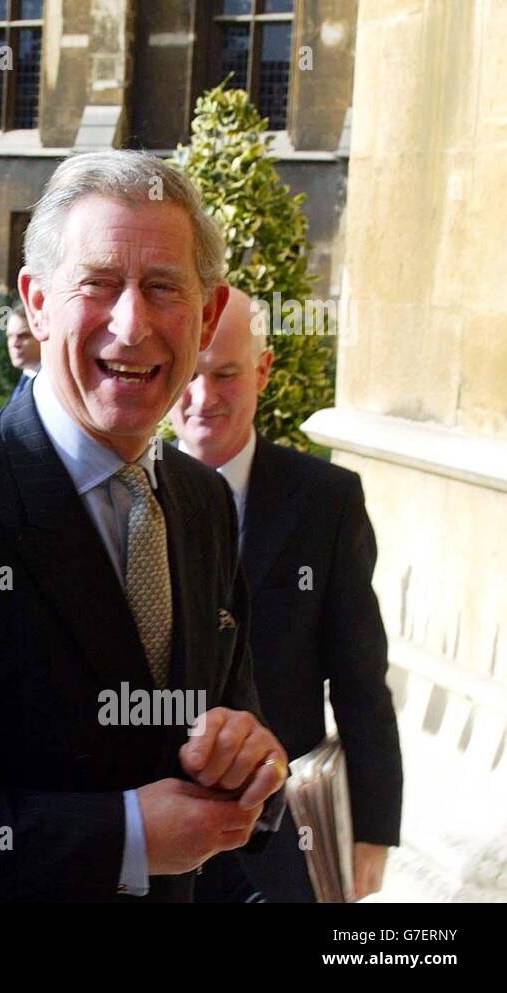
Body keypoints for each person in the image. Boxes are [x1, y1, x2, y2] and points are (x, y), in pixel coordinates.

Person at [0, 151, 288, 902]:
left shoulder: (201, 505)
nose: (132, 326)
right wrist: (124, 836)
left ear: (206, 314)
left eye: (163, 288)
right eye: (97, 284)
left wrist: (252, 765)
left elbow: (228, 734)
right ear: (36, 303)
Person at [170, 288, 402, 902]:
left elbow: (360, 681)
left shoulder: (326, 502)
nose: (203, 398)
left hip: (283, 844)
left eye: (226, 375)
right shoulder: (127, 494)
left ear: (263, 371)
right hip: (161, 843)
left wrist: (372, 831)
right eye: (190, 373)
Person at [5, 307, 41, 402]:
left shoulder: (53, 387)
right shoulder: (26, 378)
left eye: (23, 336)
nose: (14, 344)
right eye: (10, 336)